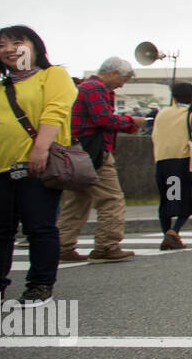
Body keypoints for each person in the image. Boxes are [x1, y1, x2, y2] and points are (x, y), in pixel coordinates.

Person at [0, 26, 77, 305]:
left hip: (36, 163)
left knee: (39, 227)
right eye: (1, 45)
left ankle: (40, 285)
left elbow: (55, 110)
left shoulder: (53, 74)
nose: (8, 49)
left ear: (35, 46)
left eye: (17, 42)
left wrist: (40, 149)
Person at [57, 56, 143, 264]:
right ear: (113, 73)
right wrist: (132, 122)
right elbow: (103, 119)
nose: (122, 84)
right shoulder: (95, 88)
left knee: (77, 201)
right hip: (95, 153)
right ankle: (106, 245)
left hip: (75, 152)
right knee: (111, 199)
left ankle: (62, 246)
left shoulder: (84, 87)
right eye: (123, 79)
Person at [152, 82, 192, 250]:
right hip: (182, 162)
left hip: (163, 161)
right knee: (187, 200)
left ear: (174, 96)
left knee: (168, 200)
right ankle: (173, 232)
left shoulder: (162, 113)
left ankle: (168, 234)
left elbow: (154, 135)